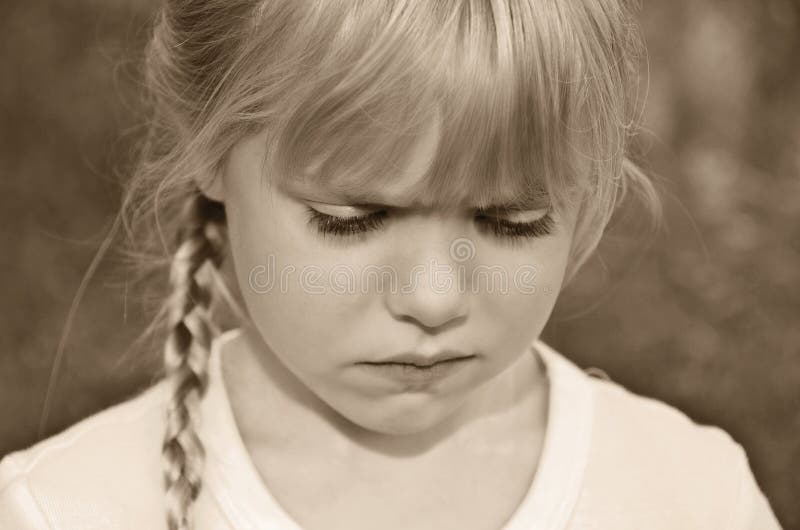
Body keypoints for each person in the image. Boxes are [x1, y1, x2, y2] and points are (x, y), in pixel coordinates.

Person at [0, 1, 784, 529]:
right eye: (353, 219)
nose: (434, 298)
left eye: (513, 221)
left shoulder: (691, 498)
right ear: (207, 147)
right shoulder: (63, 509)